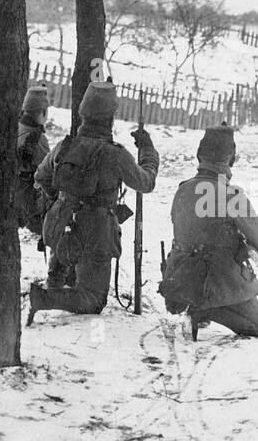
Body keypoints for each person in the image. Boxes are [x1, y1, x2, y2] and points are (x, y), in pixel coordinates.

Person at [26, 80, 159, 321]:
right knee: (94, 299)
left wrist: (63, 201)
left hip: (58, 224)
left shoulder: (64, 146)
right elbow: (146, 182)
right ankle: (46, 298)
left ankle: (54, 280)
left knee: (65, 237)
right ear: (110, 118)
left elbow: (41, 177)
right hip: (95, 231)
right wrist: (148, 150)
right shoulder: (114, 153)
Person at [159, 124, 258, 338]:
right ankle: (203, 309)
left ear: (199, 156)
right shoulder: (232, 195)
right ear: (231, 160)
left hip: (178, 281)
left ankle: (193, 307)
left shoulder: (182, 189)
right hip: (213, 282)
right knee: (257, 325)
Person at [15, 81, 74, 289]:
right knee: (64, 218)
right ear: (42, 112)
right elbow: (45, 175)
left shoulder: (18, 128)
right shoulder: (36, 138)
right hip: (30, 198)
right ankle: (57, 277)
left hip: (17, 193)